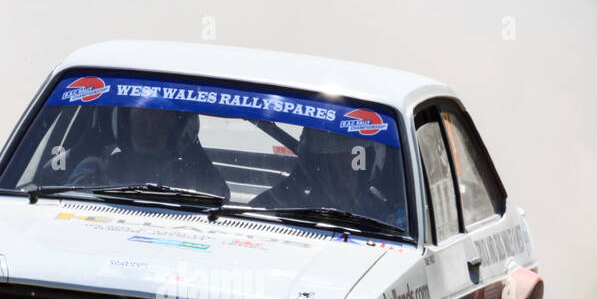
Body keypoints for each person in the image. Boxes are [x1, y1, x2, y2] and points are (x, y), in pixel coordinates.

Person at [249, 127, 406, 229]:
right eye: (332, 169)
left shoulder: (387, 219)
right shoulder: (277, 208)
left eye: (350, 168)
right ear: (316, 169)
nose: (342, 178)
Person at [69, 107, 229, 198]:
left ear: (176, 132)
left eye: (160, 126)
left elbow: (221, 198)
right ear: (126, 127)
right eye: (141, 123)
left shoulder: (190, 177)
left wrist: (191, 147)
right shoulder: (94, 171)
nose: (149, 132)